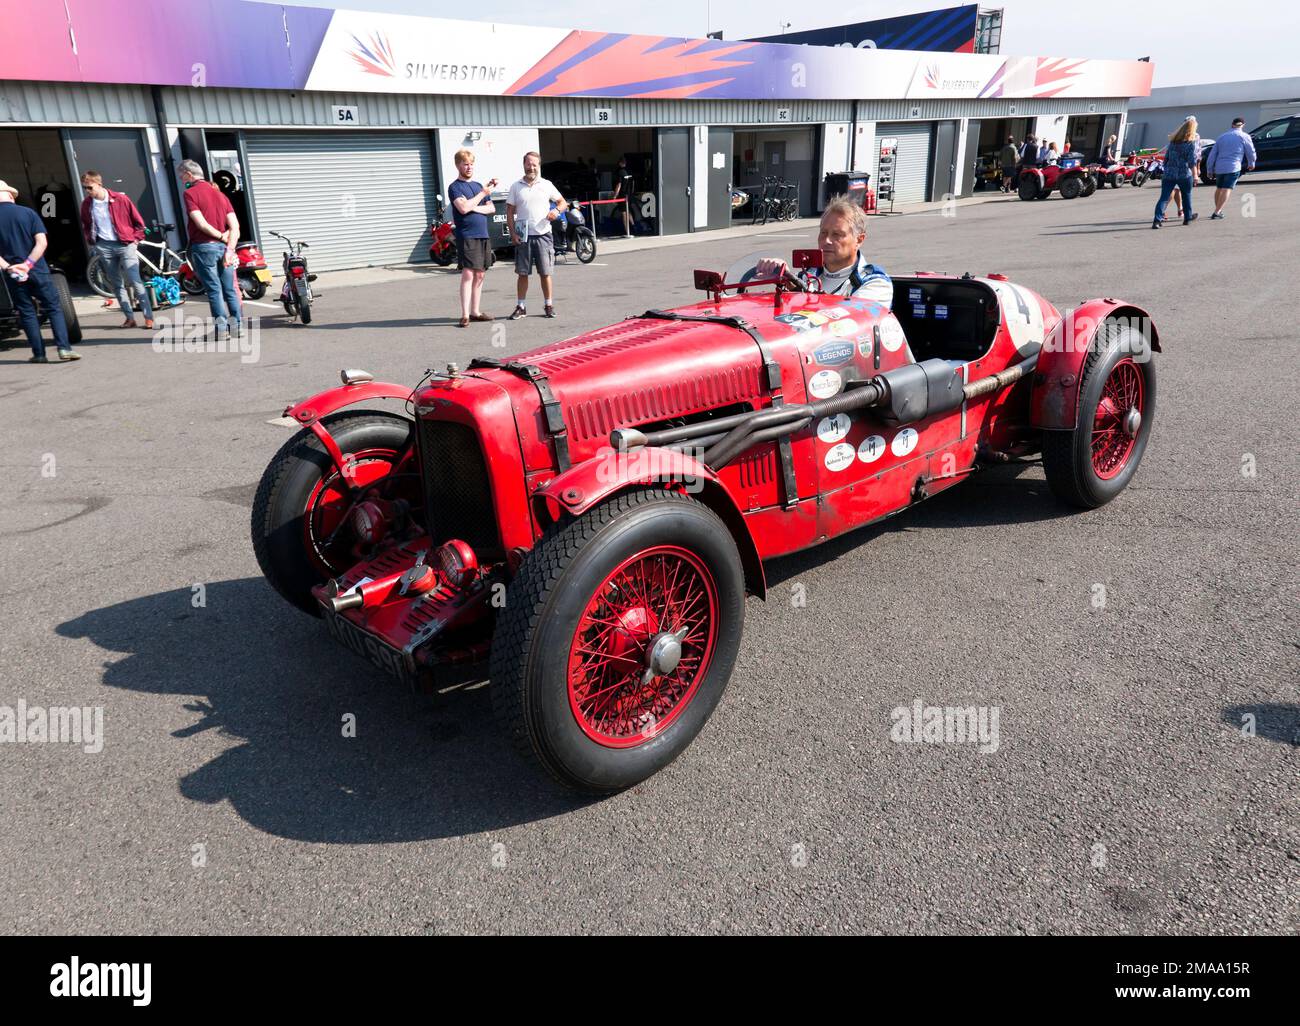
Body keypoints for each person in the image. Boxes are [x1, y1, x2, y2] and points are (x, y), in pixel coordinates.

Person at [757, 196, 892, 307]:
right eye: (823, 233)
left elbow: (845, 321)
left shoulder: (875, 283)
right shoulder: (806, 276)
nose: (826, 240)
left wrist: (798, 290)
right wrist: (784, 277)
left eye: (837, 234)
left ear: (859, 240)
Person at [0, 180, 78, 363]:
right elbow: (42, 242)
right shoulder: (28, 213)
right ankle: (64, 349)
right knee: (53, 308)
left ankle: (39, 354)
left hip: (12, 274)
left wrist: (8, 267)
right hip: (38, 270)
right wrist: (28, 264)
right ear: (10, 195)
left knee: (26, 312)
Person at [79, 170, 154, 329]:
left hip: (125, 244)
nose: (87, 191)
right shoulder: (87, 204)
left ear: (99, 184)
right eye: (85, 188)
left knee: (135, 281)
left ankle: (148, 317)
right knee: (116, 284)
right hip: (104, 246)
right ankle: (130, 318)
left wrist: (135, 240)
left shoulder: (120, 199)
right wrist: (93, 242)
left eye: (90, 187)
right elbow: (86, 225)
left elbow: (139, 223)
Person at [178, 158, 242, 336]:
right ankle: (237, 327)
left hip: (204, 247)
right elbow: (235, 227)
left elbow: (201, 223)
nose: (182, 180)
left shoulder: (190, 194)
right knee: (229, 289)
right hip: (223, 249)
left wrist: (221, 235)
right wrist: (229, 249)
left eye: (182, 176)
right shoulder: (221, 195)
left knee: (214, 290)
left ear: (189, 175)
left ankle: (221, 330)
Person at [505, 151, 567, 319]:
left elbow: (563, 203)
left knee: (545, 273)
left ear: (538, 166)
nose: (531, 167)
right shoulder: (516, 186)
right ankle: (521, 306)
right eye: (528, 164)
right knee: (522, 273)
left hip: (543, 235)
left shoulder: (546, 184)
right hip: (523, 237)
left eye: (534, 164)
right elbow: (509, 211)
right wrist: (512, 233)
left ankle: (548, 305)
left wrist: (556, 210)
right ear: (523, 164)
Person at [446, 149, 498, 327]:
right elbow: (462, 209)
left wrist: (473, 205)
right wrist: (482, 195)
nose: (468, 167)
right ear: (458, 165)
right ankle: (465, 314)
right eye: (465, 164)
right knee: (468, 272)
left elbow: (491, 209)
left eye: (471, 164)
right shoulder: (455, 187)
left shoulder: (477, 186)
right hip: (467, 235)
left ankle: (476, 311)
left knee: (481, 273)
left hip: (483, 234)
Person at [1153, 117, 1200, 228]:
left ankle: (1157, 220)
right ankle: (1187, 218)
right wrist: (1195, 175)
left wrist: (1167, 169)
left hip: (1169, 173)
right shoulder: (1190, 143)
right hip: (1184, 173)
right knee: (1186, 196)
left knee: (1164, 197)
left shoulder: (1173, 142)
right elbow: (1191, 162)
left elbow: (1166, 159)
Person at [1209, 117, 1257, 220]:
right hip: (1233, 167)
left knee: (1219, 188)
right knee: (1227, 189)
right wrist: (1251, 162)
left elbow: (1212, 154)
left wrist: (1210, 169)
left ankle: (1218, 210)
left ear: (1232, 124)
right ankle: (1217, 212)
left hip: (1220, 167)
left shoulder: (1221, 137)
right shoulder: (1244, 136)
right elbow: (1250, 151)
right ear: (1243, 125)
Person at [611, 156, 636, 233]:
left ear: (620, 163)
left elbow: (619, 185)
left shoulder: (620, 172)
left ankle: (627, 231)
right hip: (629, 195)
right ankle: (634, 227)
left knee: (624, 213)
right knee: (628, 211)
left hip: (623, 196)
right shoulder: (629, 171)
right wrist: (632, 192)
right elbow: (633, 183)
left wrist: (614, 196)